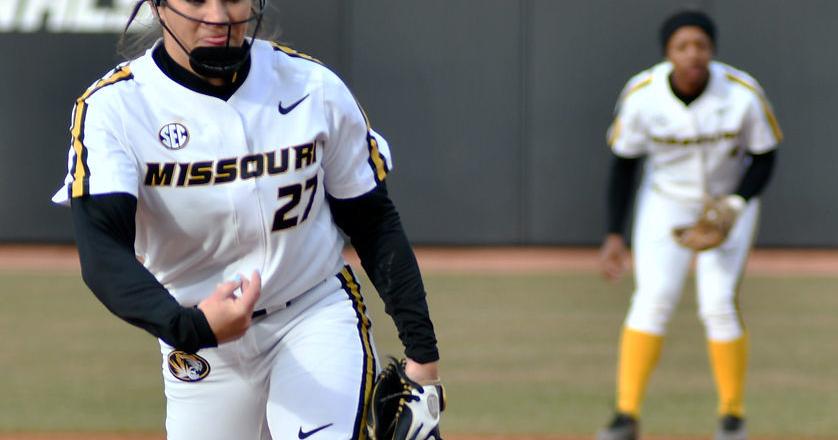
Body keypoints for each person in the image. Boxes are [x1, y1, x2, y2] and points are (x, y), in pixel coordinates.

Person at [52, 1, 443, 439]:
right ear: (159, 7)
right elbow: (103, 252)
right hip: (200, 342)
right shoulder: (116, 108)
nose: (219, 16)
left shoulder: (311, 86)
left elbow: (374, 221)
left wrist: (422, 357)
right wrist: (190, 327)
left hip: (312, 312)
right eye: (197, 0)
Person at [596, 10, 780, 440]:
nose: (692, 54)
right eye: (682, 46)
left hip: (728, 202)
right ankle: (626, 415)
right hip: (666, 201)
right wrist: (614, 233)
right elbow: (623, 165)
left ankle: (732, 417)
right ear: (668, 53)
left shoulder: (741, 92)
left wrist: (735, 203)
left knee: (718, 302)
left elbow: (765, 156)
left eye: (701, 45)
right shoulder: (643, 94)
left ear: (712, 50)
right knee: (652, 299)